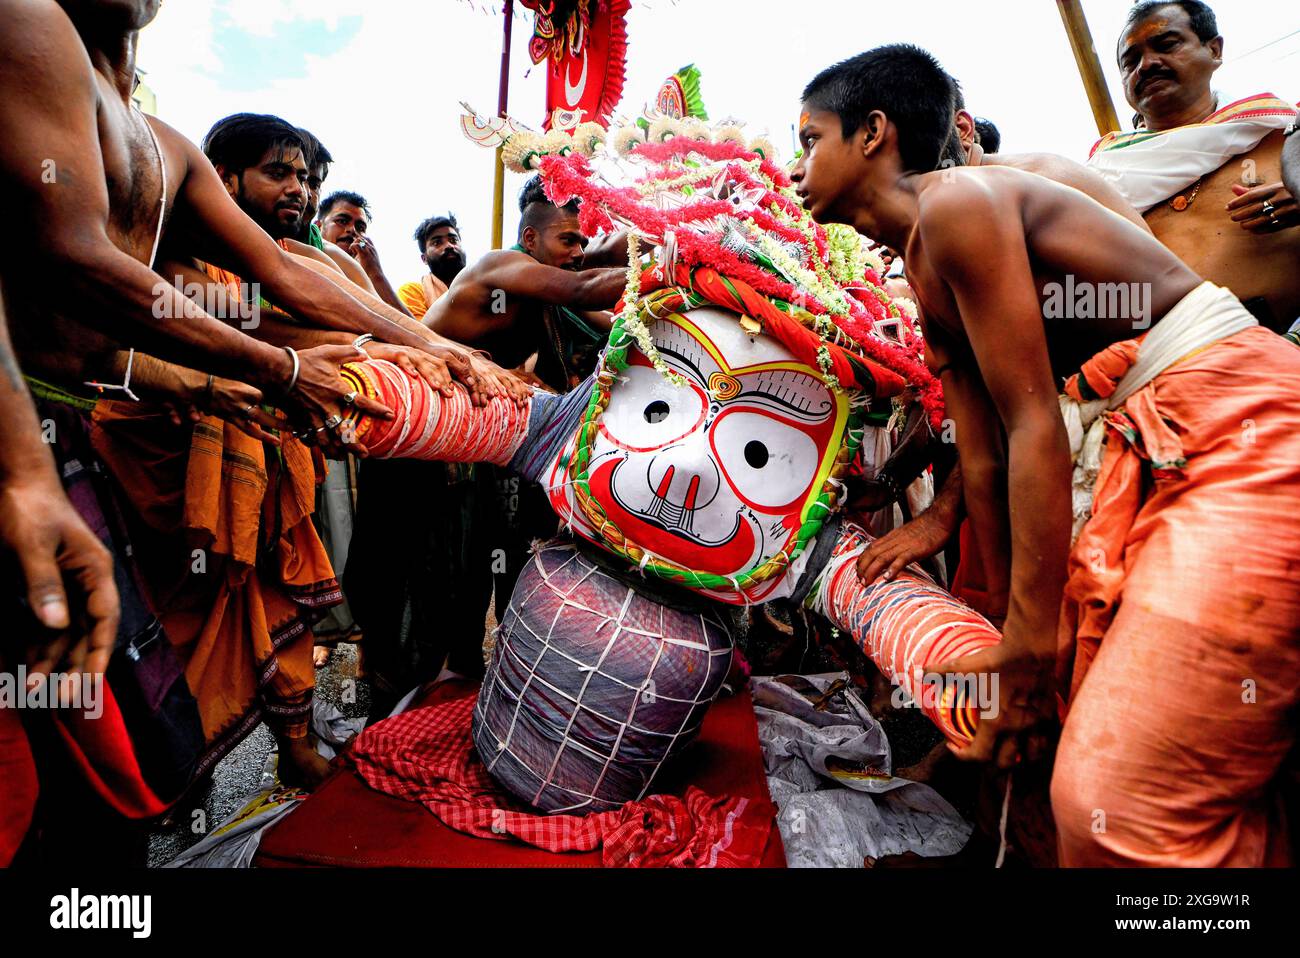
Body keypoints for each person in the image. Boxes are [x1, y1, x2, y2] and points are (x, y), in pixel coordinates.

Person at [793, 43, 1300, 865]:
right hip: (1161, 441)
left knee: (1118, 806)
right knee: (1072, 765)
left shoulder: (959, 201)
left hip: (1239, 419)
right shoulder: (926, 270)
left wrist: (1029, 644)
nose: (796, 164)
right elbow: (984, 459)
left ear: (873, 134)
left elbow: (1033, 425)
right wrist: (997, 625)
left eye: (808, 138)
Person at [1089, 1, 1300, 332]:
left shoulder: (1282, 133)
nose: (1146, 65)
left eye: (1166, 44)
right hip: (1143, 360)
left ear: (1214, 49)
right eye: (1130, 62)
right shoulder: (1101, 173)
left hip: (1274, 356)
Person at [317, 190, 409, 315]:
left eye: (360, 228)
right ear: (318, 226)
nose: (352, 230)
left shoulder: (365, 281)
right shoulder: (300, 257)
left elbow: (410, 328)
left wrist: (376, 274)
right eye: (342, 221)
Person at [398, 214, 467, 318]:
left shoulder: (485, 287)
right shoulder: (412, 292)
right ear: (424, 258)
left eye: (453, 240)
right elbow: (418, 332)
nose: (449, 246)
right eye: (437, 243)